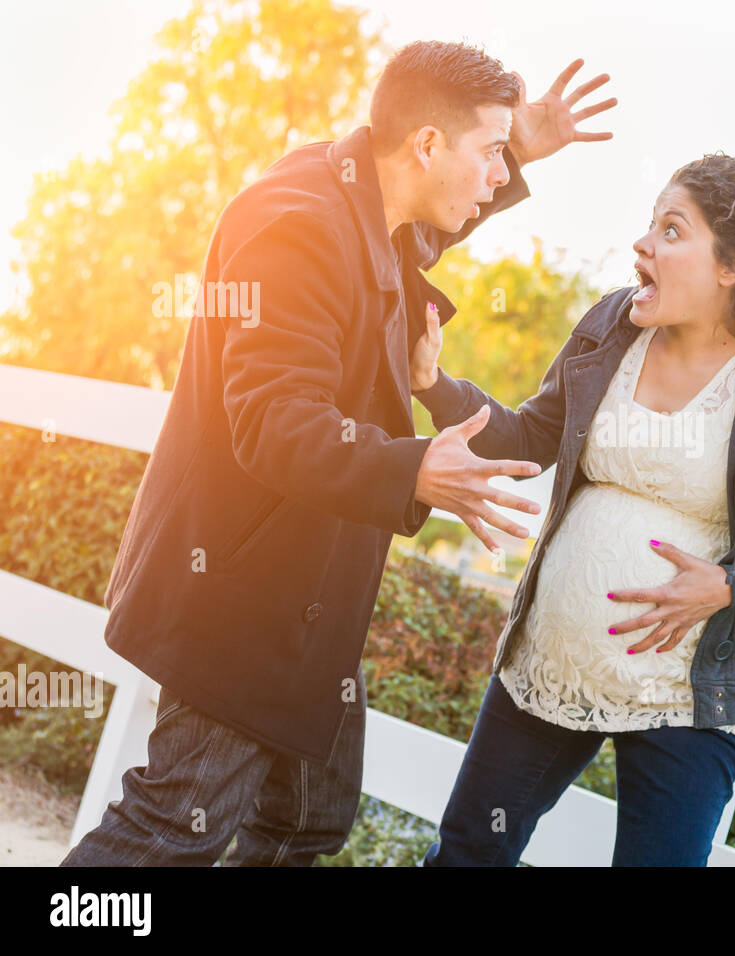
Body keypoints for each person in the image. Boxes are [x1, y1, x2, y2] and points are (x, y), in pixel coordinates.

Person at [61, 40, 617, 866]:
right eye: (490, 153)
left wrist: (520, 146)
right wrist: (416, 467)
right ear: (427, 145)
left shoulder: (370, 205)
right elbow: (277, 422)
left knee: (305, 824)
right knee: (166, 832)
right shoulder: (298, 225)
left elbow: (423, 239)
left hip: (307, 604)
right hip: (243, 601)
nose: (499, 174)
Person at [411, 152, 735, 866]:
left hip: (689, 701)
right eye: (649, 225)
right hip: (552, 664)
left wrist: (732, 584)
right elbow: (531, 435)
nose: (643, 245)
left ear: (733, 267)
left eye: (671, 230)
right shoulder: (612, 326)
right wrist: (433, 383)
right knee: (468, 852)